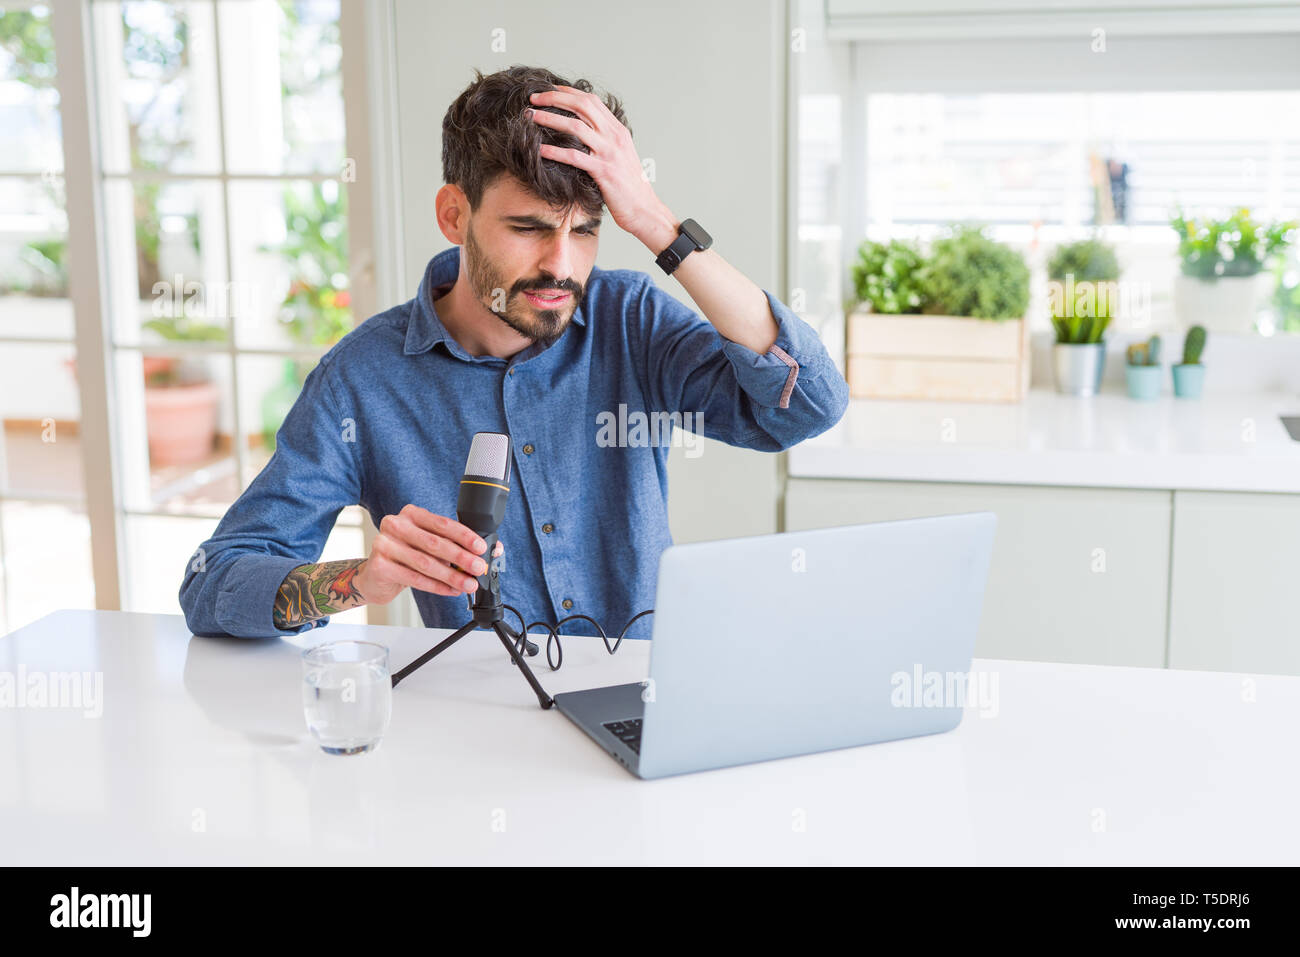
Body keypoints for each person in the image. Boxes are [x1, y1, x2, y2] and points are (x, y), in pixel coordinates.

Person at [178, 64, 848, 641]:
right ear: (453, 214)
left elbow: (807, 405)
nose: (562, 265)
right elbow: (214, 581)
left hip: (648, 702)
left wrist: (654, 223)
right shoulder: (363, 380)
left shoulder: (630, 320)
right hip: (486, 731)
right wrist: (358, 580)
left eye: (586, 231)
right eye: (528, 228)